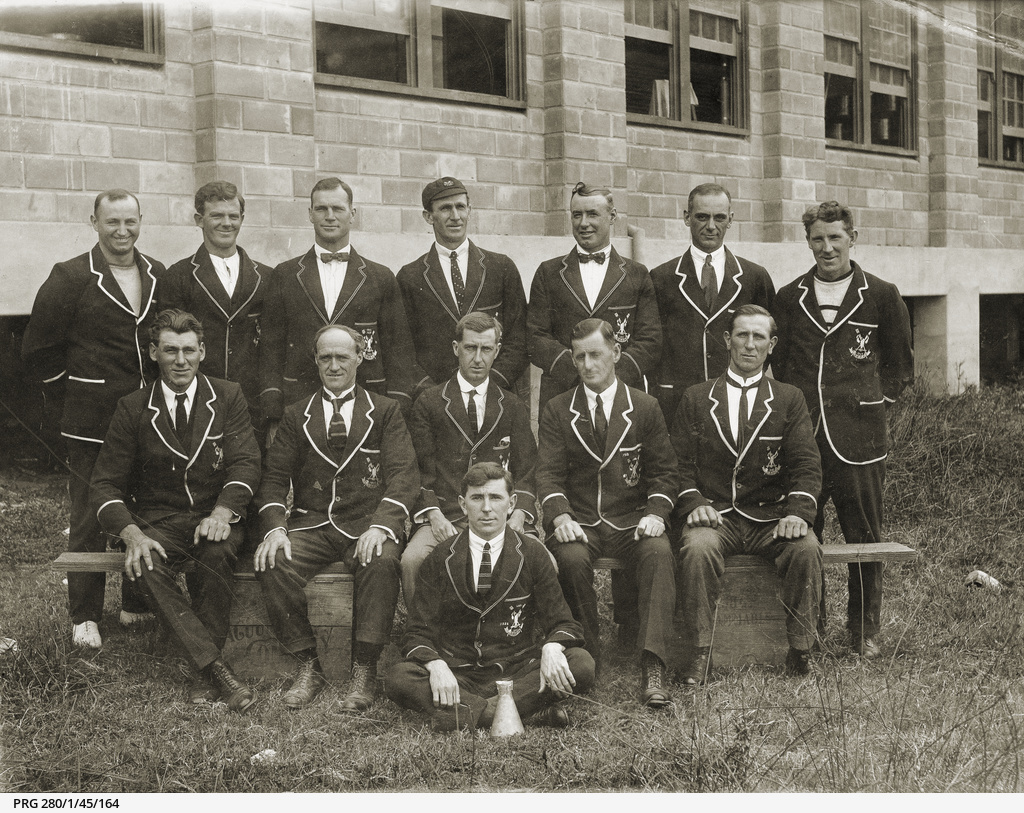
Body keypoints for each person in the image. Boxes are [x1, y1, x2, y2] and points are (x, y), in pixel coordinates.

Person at [89, 309, 261, 712]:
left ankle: (203, 673)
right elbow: (104, 483)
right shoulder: (133, 407)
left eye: (188, 350)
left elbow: (246, 464)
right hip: (160, 521)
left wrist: (222, 513)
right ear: (153, 353)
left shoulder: (228, 394)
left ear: (202, 351)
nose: (180, 360)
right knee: (144, 561)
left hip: (214, 516)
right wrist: (132, 535)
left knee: (216, 552)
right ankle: (214, 669)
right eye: (170, 350)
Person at [22, 189, 163, 649]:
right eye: (112, 223)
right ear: (94, 222)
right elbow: (38, 353)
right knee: (89, 514)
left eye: (130, 222)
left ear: (141, 221)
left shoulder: (157, 273)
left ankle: (136, 604)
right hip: (91, 423)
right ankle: (84, 616)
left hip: (148, 418)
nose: (122, 232)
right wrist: (82, 395)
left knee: (141, 509)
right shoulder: (70, 276)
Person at [772, 202, 914, 659]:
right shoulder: (789, 296)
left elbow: (899, 367)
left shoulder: (881, 295)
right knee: (802, 537)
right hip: (805, 442)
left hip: (860, 440)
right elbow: (782, 363)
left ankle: (864, 632)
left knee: (865, 537)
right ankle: (807, 630)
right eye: (818, 239)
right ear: (807, 241)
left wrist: (872, 405)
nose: (827, 248)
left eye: (836, 237)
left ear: (854, 237)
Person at [254, 324, 418, 711]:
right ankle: (308, 664)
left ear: (360, 358)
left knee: (382, 561)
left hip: (367, 522)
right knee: (273, 561)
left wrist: (382, 525)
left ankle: (364, 670)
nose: (333, 365)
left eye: (342, 356)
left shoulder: (386, 409)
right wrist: (276, 529)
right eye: (325, 357)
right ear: (315, 360)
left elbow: (403, 474)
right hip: (313, 522)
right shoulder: (297, 415)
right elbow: (274, 479)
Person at [673, 305, 823, 682]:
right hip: (716, 515)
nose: (750, 345)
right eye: (742, 335)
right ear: (727, 340)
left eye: (759, 337)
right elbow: (677, 465)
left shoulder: (789, 398)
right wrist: (695, 503)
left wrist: (797, 513)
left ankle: (801, 649)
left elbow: (806, 464)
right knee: (697, 548)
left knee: (805, 547)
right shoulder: (696, 397)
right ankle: (699, 653)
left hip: (771, 516)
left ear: (772, 345)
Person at [385, 463, 595, 732]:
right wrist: (435, 665)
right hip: (458, 672)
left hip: (516, 670)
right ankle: (518, 712)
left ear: (511, 503)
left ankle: (464, 713)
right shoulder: (440, 557)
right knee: (398, 677)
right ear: (463, 504)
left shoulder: (532, 553)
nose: (486, 508)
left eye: (495, 498)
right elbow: (416, 632)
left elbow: (564, 623)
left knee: (581, 663)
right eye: (477, 498)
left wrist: (552, 647)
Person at [536, 318, 677, 708]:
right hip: (580, 520)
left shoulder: (645, 406)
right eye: (579, 356)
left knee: (659, 552)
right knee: (569, 557)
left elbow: (665, 472)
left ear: (616, 354)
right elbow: (547, 474)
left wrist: (656, 512)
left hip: (632, 519)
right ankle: (588, 656)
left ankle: (653, 665)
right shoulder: (558, 408)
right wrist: (560, 516)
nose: (586, 364)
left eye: (595, 354)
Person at [260, 177, 422, 443]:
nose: (330, 216)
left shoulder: (380, 277)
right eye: (321, 209)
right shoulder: (286, 275)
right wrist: (274, 412)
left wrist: (395, 409)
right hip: (299, 404)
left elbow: (399, 351)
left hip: (367, 404)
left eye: (338, 209)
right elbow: (270, 349)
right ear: (310, 214)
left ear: (353, 214)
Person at [403, 311, 537, 604]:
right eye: (470, 348)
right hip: (445, 514)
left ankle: (522, 640)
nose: (478, 358)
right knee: (412, 561)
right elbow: (418, 471)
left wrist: (519, 513)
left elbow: (527, 470)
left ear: (497, 351)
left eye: (486, 349)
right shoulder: (429, 402)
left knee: (546, 563)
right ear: (456, 349)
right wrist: (433, 515)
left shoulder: (512, 405)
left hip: (500, 515)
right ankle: (421, 640)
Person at [650, 182, 776, 425]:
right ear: (687, 218)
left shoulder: (754, 276)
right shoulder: (661, 278)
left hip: (739, 401)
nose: (710, 226)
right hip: (677, 404)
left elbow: (770, 343)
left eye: (719, 218)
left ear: (730, 219)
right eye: (701, 217)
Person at [528, 182, 661, 410]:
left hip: (623, 394)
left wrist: (610, 376)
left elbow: (650, 340)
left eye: (592, 214)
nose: (584, 223)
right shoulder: (548, 273)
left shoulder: (637, 274)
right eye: (577, 215)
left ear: (612, 216)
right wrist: (578, 371)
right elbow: (535, 336)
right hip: (563, 394)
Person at [161, 181, 271, 446]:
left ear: (242, 219)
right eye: (216, 216)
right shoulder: (178, 275)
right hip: (198, 401)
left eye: (233, 216)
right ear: (199, 219)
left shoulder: (266, 277)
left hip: (250, 405)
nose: (226, 223)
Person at [397, 177, 529, 392]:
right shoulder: (410, 276)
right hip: (435, 400)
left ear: (470, 210)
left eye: (460, 207)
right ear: (428, 216)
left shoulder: (501, 267)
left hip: (495, 395)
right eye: (445, 209)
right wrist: (432, 394)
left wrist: (491, 384)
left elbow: (520, 337)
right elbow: (402, 348)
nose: (455, 216)